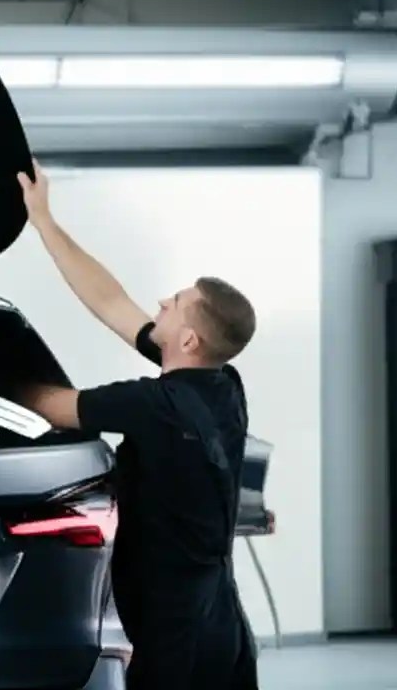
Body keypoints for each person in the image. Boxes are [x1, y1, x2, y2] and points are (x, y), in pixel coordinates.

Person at [15, 160, 260, 689]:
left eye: (176, 304)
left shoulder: (156, 405)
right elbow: (111, 302)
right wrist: (45, 223)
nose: (162, 302)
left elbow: (52, 405)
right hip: (220, 617)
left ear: (189, 340)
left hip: (176, 625)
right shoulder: (225, 385)